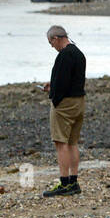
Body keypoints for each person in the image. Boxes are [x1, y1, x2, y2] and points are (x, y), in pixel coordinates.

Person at [42, 25, 85, 197]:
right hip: (79, 101)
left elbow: (61, 85)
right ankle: (74, 182)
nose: (52, 46)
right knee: (73, 142)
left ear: (57, 38)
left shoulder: (64, 56)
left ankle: (64, 182)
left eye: (51, 42)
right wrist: (53, 84)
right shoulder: (79, 53)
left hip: (65, 105)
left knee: (61, 143)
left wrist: (53, 95)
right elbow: (73, 79)